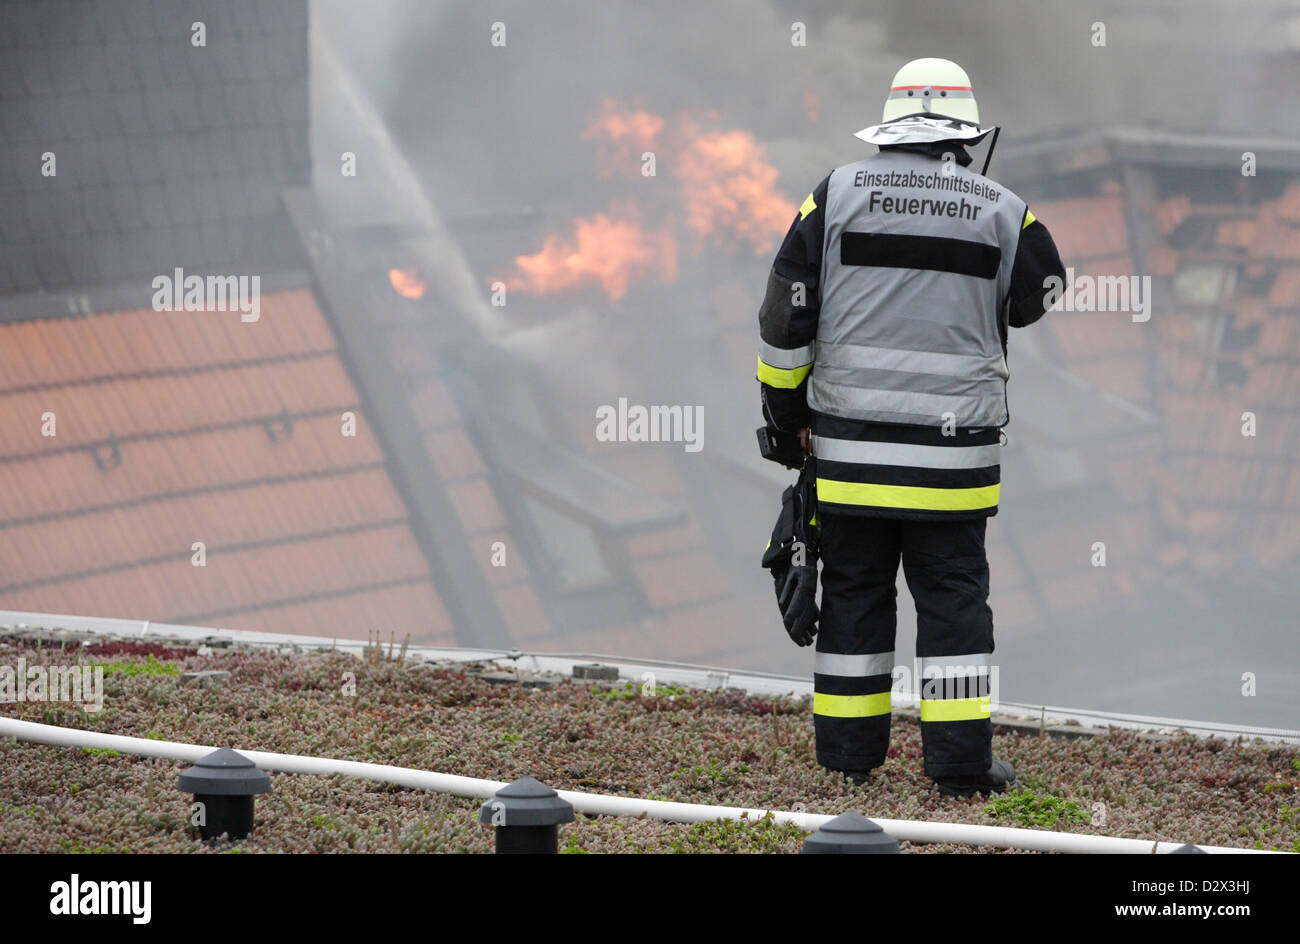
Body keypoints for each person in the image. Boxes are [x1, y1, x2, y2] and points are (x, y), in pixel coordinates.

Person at [756, 57, 1066, 796]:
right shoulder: (1003, 209)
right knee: (953, 601)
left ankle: (848, 763)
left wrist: (787, 420)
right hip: (951, 466)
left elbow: (783, 319)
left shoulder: (832, 196)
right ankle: (960, 769)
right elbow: (1042, 291)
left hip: (850, 453)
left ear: (892, 129)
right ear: (963, 135)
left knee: (857, 593)